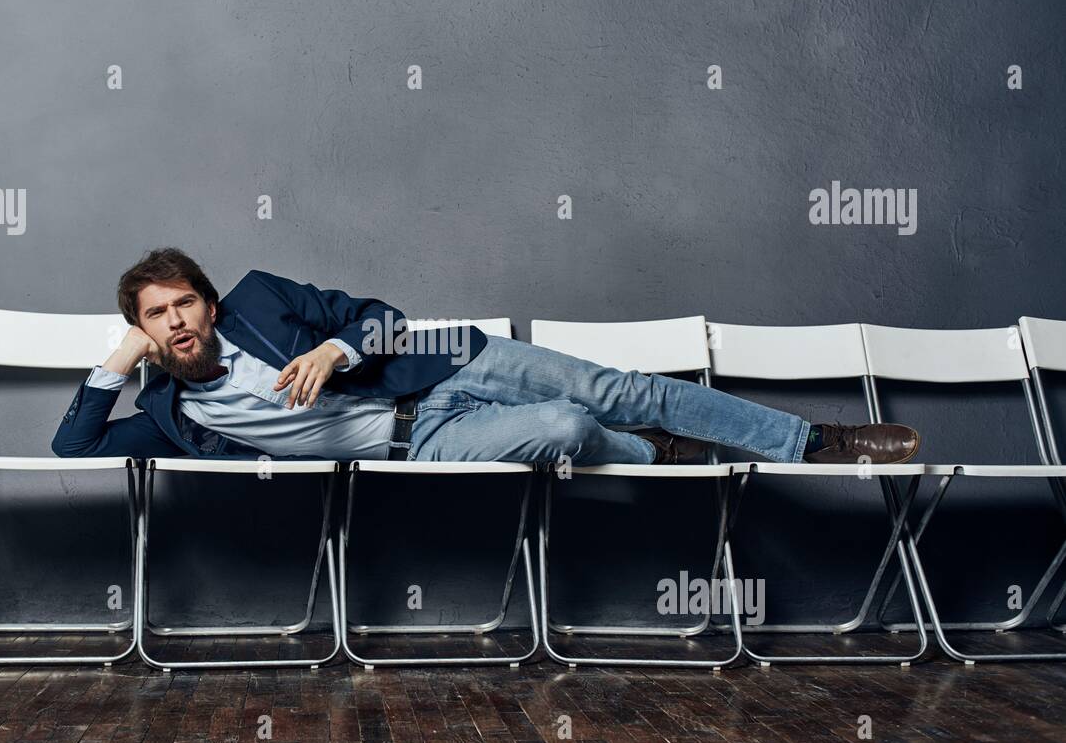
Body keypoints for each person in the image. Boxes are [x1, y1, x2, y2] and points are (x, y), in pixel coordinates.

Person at [51, 247, 918, 466]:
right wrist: (115, 365)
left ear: (210, 302)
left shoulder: (261, 297)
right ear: (146, 333)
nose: (176, 321)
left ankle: (815, 445)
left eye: (184, 303)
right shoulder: (177, 416)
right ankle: (658, 456)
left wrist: (335, 346)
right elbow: (73, 451)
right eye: (155, 317)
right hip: (414, 446)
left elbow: (384, 315)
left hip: (438, 365)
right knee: (569, 429)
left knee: (618, 387)